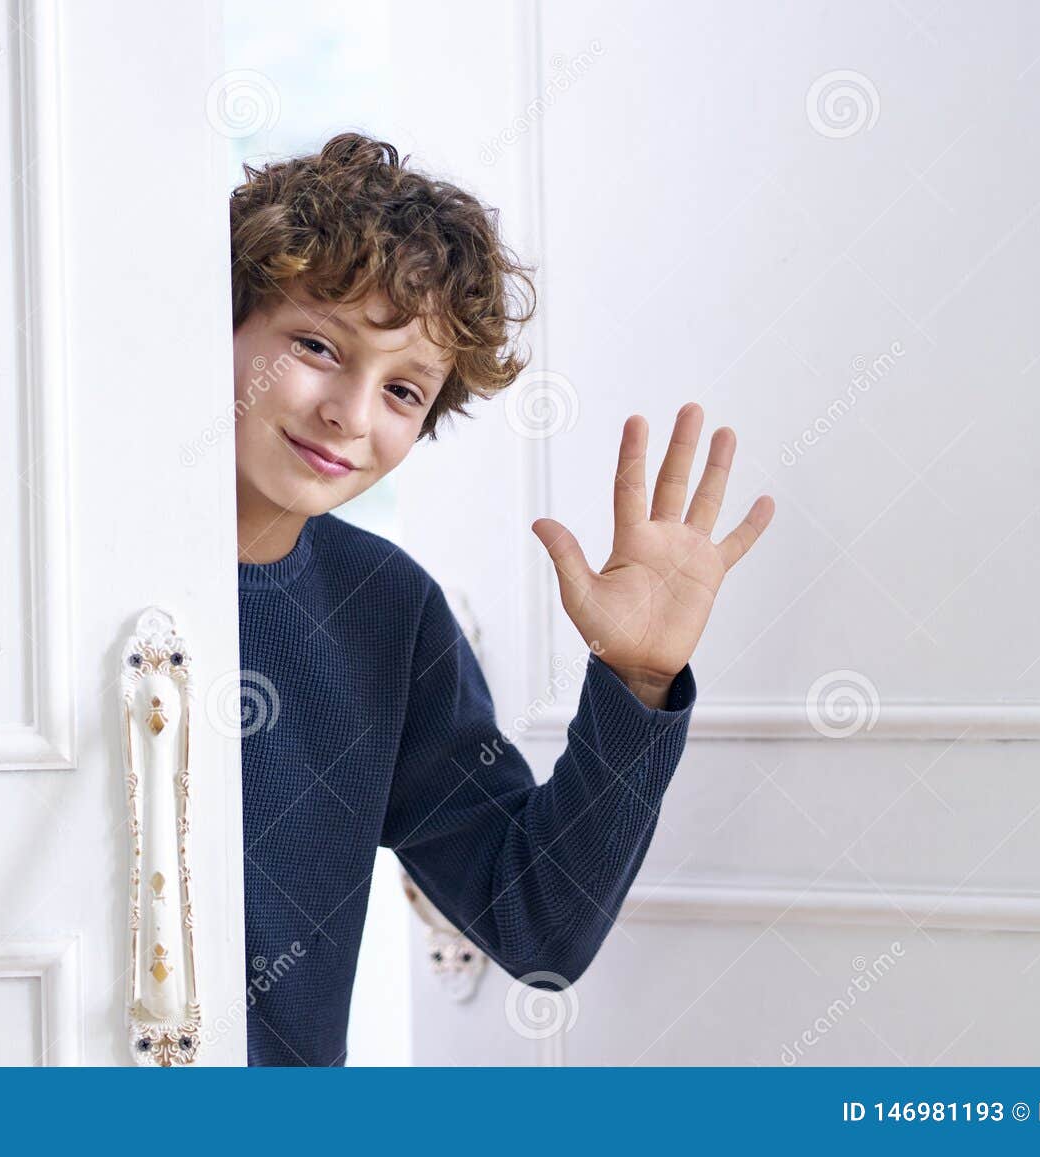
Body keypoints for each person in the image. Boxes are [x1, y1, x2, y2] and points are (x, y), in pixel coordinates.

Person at [228, 132, 774, 1065]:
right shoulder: (72, 575)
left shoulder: (387, 611)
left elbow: (540, 924)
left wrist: (638, 682)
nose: (349, 413)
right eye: (317, 345)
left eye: (404, 390)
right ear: (227, 321)